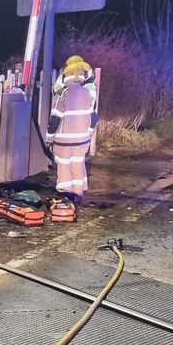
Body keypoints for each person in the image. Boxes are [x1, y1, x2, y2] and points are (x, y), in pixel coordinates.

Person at [46, 55, 97, 221]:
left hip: (64, 141)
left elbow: (55, 119)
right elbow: (94, 118)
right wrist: (88, 132)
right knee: (78, 163)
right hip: (82, 140)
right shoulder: (88, 94)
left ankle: (64, 195)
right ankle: (78, 194)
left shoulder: (65, 95)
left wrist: (49, 138)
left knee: (64, 166)